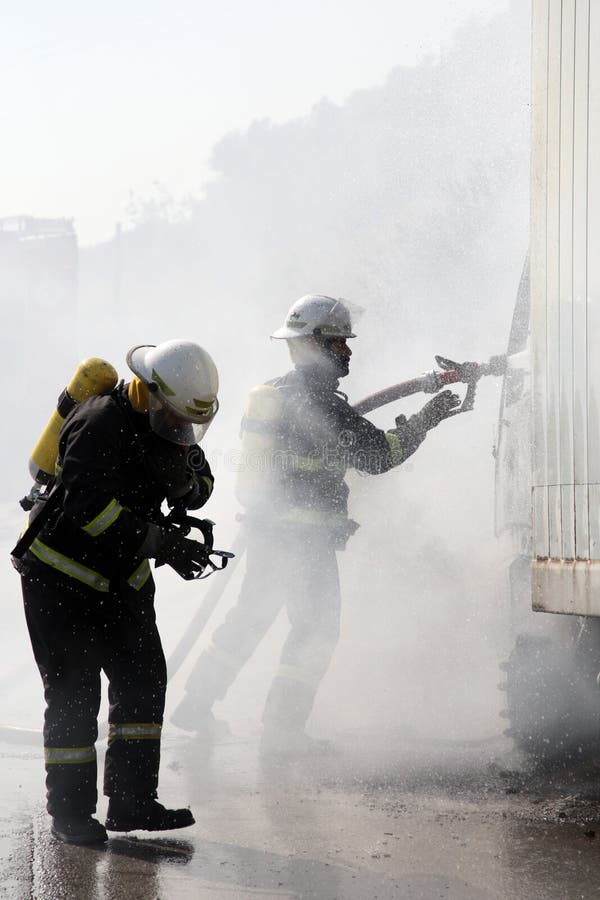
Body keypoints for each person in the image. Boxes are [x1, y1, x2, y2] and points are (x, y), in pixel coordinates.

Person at [171, 295, 460, 756]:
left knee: (248, 620)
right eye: (340, 343)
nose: (348, 352)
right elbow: (381, 455)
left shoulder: (278, 393)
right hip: (304, 542)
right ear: (316, 346)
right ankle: (282, 733)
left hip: (269, 535)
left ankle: (194, 703)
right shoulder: (320, 406)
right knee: (317, 630)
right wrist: (427, 420)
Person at [15, 339, 221, 844]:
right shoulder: (96, 422)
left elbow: (198, 475)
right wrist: (160, 543)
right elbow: (88, 510)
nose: (180, 428)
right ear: (148, 392)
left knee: (143, 681)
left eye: (186, 422)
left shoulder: (168, 420)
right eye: (173, 417)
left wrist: (192, 484)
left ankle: (132, 803)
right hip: (60, 579)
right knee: (73, 695)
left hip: (122, 580)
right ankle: (69, 816)